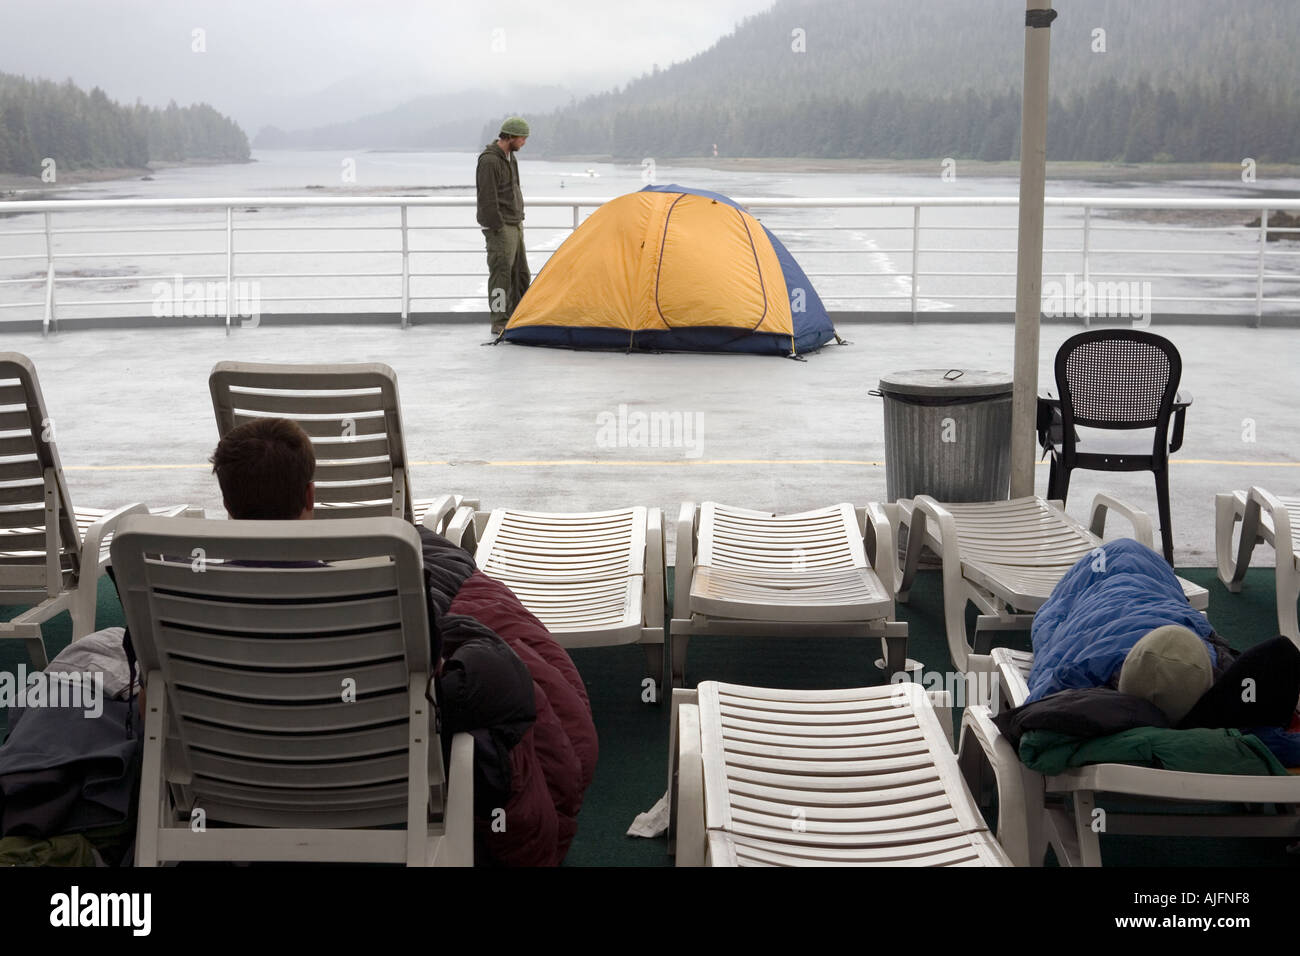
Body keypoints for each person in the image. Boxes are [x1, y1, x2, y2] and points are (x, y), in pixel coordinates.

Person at [476, 116, 531, 336]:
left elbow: (513, 189)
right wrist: (497, 226)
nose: (524, 142)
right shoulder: (489, 161)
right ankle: (499, 320)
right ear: (510, 136)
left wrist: (519, 216)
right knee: (501, 275)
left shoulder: (511, 158)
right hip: (500, 228)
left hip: (515, 224)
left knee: (521, 274)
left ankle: (520, 315)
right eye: (522, 138)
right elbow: (487, 197)